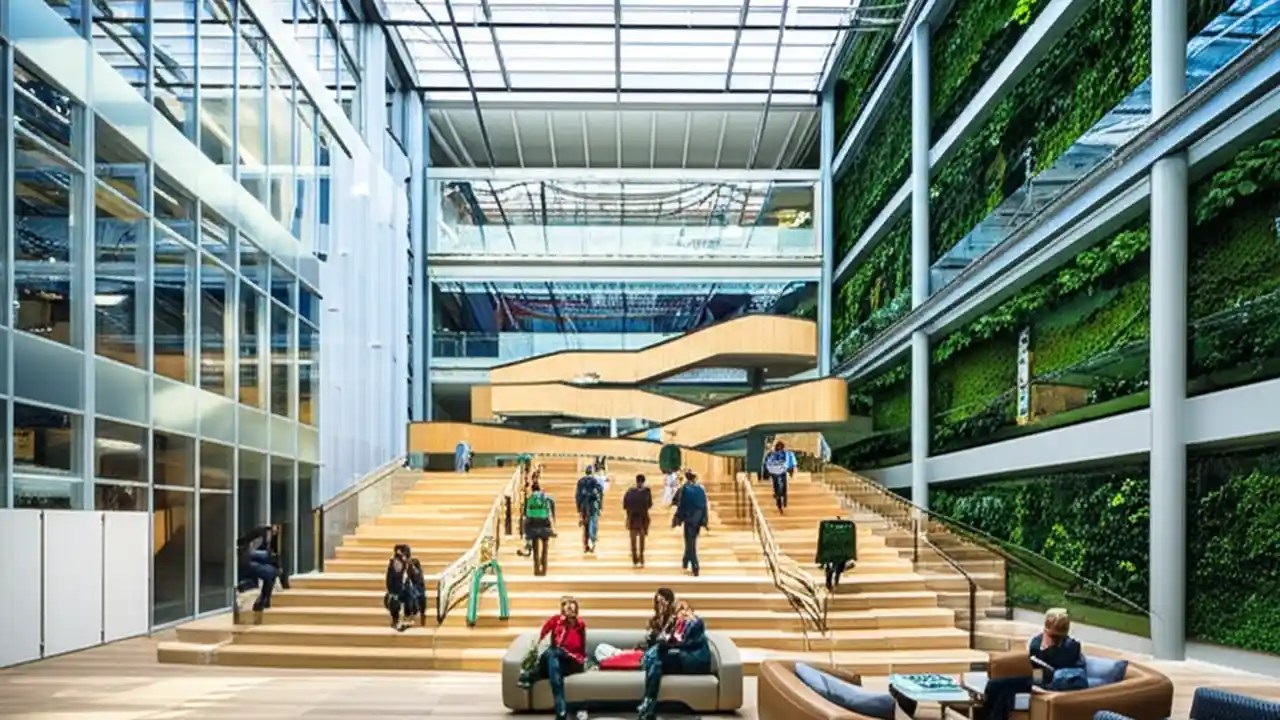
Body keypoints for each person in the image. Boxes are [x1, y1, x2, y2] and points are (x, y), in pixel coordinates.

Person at [637, 600, 711, 720]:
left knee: (657, 657)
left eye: (684, 609)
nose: (682, 613)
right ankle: (649, 702)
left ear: (690, 611)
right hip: (684, 658)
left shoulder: (695, 623)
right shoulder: (679, 625)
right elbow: (673, 640)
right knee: (657, 661)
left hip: (695, 661)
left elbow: (685, 642)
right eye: (678, 611)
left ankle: (648, 702)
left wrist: (668, 642)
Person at [534, 597, 589, 720]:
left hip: (573, 661)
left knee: (553, 653)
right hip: (558, 661)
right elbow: (543, 634)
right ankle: (561, 712)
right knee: (554, 660)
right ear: (562, 610)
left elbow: (582, 648)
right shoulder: (556, 621)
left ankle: (530, 675)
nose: (570, 610)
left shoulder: (580, 625)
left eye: (572, 608)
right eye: (567, 607)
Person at [237, 524, 287, 612]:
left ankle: (264, 600)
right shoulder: (259, 534)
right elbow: (248, 552)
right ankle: (264, 600)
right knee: (272, 569)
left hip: (252, 560)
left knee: (272, 566)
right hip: (246, 562)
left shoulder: (269, 538)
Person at [672, 471, 708, 577]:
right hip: (698, 519)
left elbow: (680, 505)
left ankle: (695, 565)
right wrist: (705, 520)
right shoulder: (700, 489)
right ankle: (685, 560)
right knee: (692, 541)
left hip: (689, 519)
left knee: (690, 543)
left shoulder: (684, 489)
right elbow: (704, 506)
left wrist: (677, 518)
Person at [525, 480, 556, 576]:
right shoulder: (545, 497)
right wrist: (553, 525)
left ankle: (536, 568)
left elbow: (527, 513)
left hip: (533, 523)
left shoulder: (530, 498)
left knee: (535, 547)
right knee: (545, 546)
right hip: (544, 522)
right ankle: (544, 564)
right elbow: (550, 511)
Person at [623, 474, 653, 567]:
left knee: (633, 539)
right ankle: (641, 557)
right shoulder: (647, 492)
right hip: (643, 518)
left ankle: (635, 558)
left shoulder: (630, 491)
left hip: (632, 517)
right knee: (642, 538)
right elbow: (650, 504)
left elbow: (625, 505)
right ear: (643, 482)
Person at [575, 465, 604, 554]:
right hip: (593, 506)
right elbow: (600, 493)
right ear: (592, 472)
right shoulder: (595, 481)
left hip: (584, 506)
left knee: (585, 526)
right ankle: (593, 543)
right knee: (593, 523)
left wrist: (578, 508)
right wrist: (600, 506)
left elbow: (577, 496)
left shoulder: (580, 481)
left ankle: (585, 545)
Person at [763, 440, 797, 512]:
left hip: (782, 471)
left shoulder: (785, 453)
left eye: (780, 447)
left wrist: (790, 471)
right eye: (778, 447)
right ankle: (778, 501)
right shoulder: (771, 454)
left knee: (783, 486)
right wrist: (767, 473)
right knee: (776, 486)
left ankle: (783, 498)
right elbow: (766, 462)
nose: (779, 448)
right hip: (775, 472)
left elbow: (789, 462)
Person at [384, 544, 411, 630]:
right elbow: (395, 577)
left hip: (397, 588)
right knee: (397, 605)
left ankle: (399, 621)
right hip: (396, 589)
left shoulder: (399, 562)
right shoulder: (397, 563)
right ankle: (397, 622)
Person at [404, 557, 427, 625]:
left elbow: (420, 582)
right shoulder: (413, 572)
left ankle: (417, 616)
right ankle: (413, 616)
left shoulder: (418, 572)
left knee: (416, 602)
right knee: (412, 602)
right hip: (415, 590)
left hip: (417, 590)